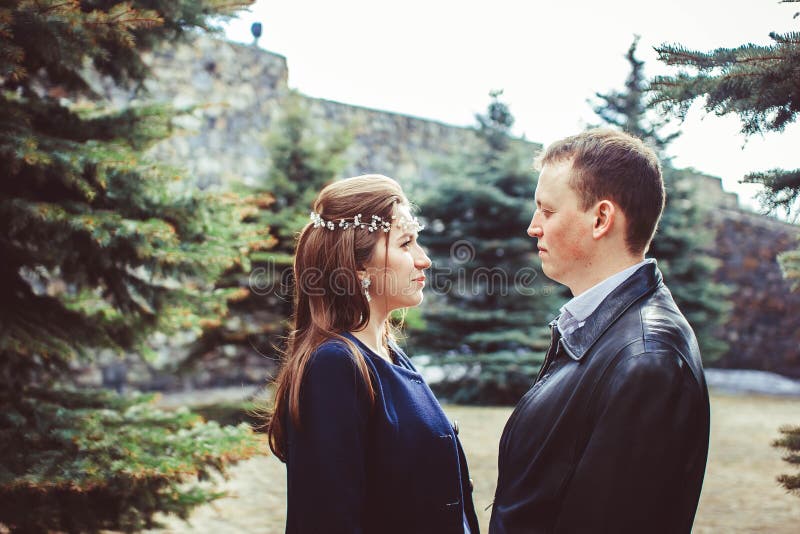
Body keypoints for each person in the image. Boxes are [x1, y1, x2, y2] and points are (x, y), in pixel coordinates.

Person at [490, 129, 710, 533]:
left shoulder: (647, 358)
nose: (533, 227)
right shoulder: (603, 328)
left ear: (601, 218)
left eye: (548, 211)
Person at [267, 175, 480, 534]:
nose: (423, 260)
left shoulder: (391, 356)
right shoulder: (335, 366)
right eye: (406, 244)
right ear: (358, 264)